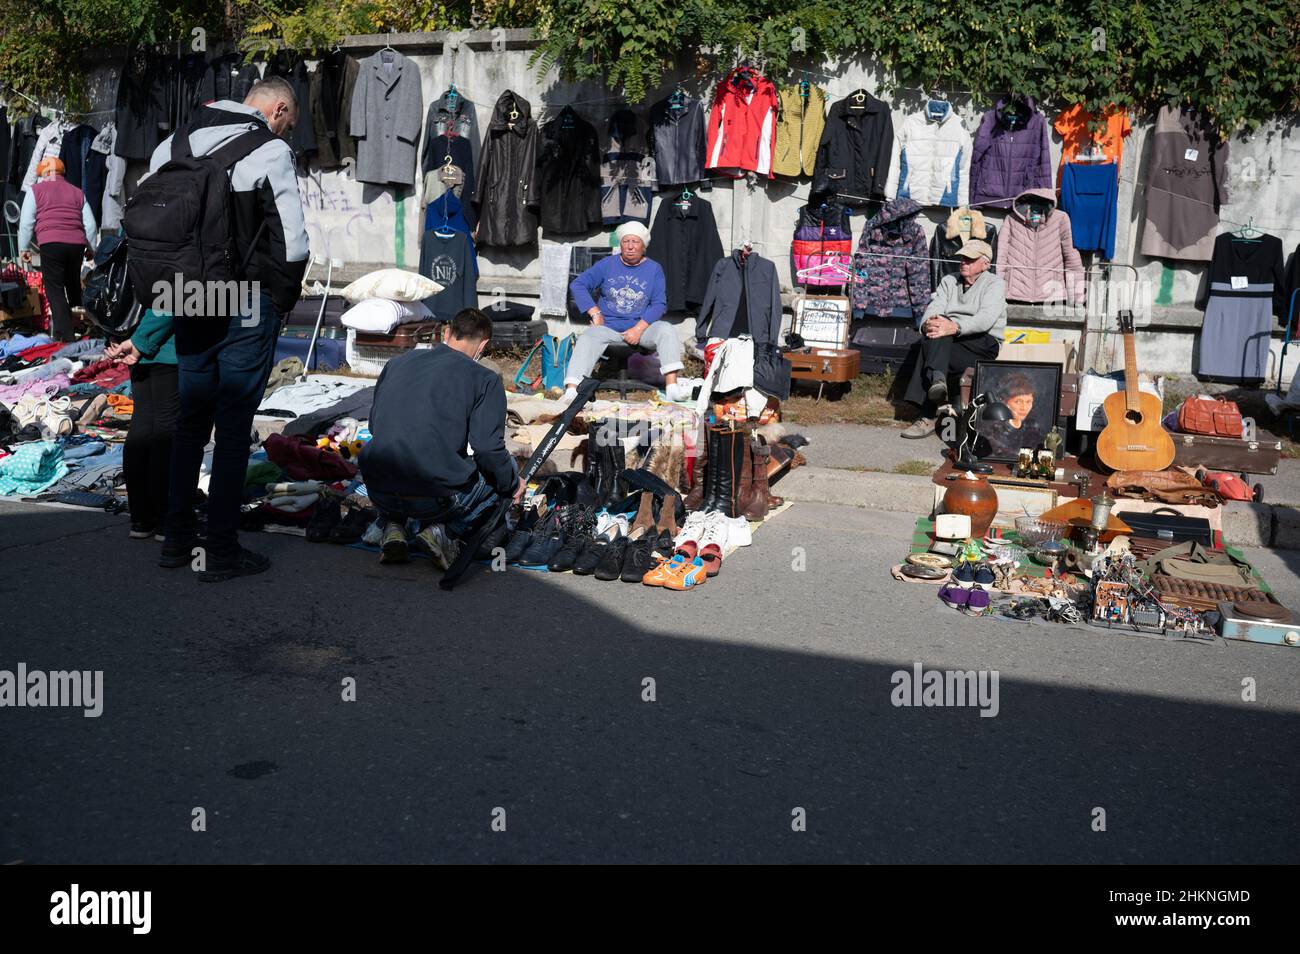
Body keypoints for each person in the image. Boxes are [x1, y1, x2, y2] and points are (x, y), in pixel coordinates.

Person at [153, 77, 310, 582]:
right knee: (234, 425)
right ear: (278, 109)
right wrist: (280, 303)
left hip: (186, 294)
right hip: (244, 297)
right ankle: (220, 549)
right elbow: (293, 242)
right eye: (290, 121)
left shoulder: (172, 144)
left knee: (190, 422)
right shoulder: (268, 149)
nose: (288, 130)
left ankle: (176, 540)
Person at [358, 308, 526, 570]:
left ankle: (394, 527)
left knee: (400, 454)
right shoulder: (485, 379)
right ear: (483, 345)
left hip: (378, 488)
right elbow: (488, 450)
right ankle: (443, 532)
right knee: (502, 475)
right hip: (432, 500)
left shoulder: (398, 362)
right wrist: (513, 483)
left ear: (447, 333)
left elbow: (375, 426)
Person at [565, 221, 690, 401]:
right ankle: (572, 390)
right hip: (608, 328)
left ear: (643, 246)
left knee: (666, 329)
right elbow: (578, 284)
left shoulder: (654, 269)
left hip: (642, 329)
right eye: (626, 241)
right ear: (620, 244)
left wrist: (638, 329)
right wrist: (595, 313)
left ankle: (672, 387)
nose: (630, 246)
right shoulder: (607, 264)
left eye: (635, 242)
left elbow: (659, 304)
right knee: (588, 336)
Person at [900, 239, 1006, 439]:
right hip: (950, 340)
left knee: (934, 342)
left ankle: (928, 413)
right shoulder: (949, 280)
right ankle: (937, 382)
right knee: (935, 331)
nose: (964, 262)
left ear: (985, 264)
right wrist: (928, 324)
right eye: (962, 258)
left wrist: (954, 327)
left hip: (983, 342)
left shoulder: (995, 284)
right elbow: (933, 309)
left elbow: (985, 320)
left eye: (970, 259)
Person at [104, 309, 177, 540]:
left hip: (135, 344)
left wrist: (124, 338)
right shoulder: (169, 273)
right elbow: (168, 302)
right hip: (162, 347)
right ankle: (165, 517)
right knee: (164, 432)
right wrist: (139, 342)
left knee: (143, 425)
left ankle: (142, 519)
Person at [17, 157, 98, 342]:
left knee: (55, 288)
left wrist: (23, 248)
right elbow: (91, 225)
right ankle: (83, 324)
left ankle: (66, 335)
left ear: (44, 174)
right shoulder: (77, 192)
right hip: (76, 244)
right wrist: (90, 247)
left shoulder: (35, 191)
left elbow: (27, 222)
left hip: (51, 243)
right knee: (73, 284)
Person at [982, 373, 1044, 459]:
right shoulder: (993, 431)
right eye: (1018, 401)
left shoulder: (1033, 429)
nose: (1024, 408)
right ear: (1005, 401)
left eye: (1028, 402)